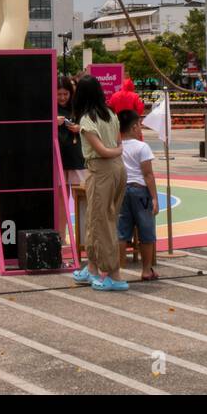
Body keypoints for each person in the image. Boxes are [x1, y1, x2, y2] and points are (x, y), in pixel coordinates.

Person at [70, 74, 127, 291]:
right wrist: (118, 151)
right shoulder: (110, 114)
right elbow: (118, 142)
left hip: (101, 170)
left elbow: (102, 150)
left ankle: (114, 274)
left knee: (101, 222)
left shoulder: (86, 119)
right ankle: (92, 268)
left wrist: (114, 151)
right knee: (100, 219)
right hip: (118, 169)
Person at [117, 109, 160, 281]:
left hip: (122, 191)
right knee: (146, 231)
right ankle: (146, 269)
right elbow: (148, 174)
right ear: (134, 127)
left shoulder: (116, 147)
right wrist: (155, 197)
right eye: (139, 126)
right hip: (140, 192)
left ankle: (118, 271)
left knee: (121, 232)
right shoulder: (142, 147)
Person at [56, 76, 87, 256]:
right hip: (59, 159)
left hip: (77, 159)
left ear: (71, 92)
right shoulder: (50, 109)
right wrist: (54, 121)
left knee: (81, 197)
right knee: (61, 200)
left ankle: (84, 236)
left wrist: (79, 128)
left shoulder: (79, 108)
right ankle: (61, 235)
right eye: (59, 94)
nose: (62, 97)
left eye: (65, 93)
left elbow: (88, 127)